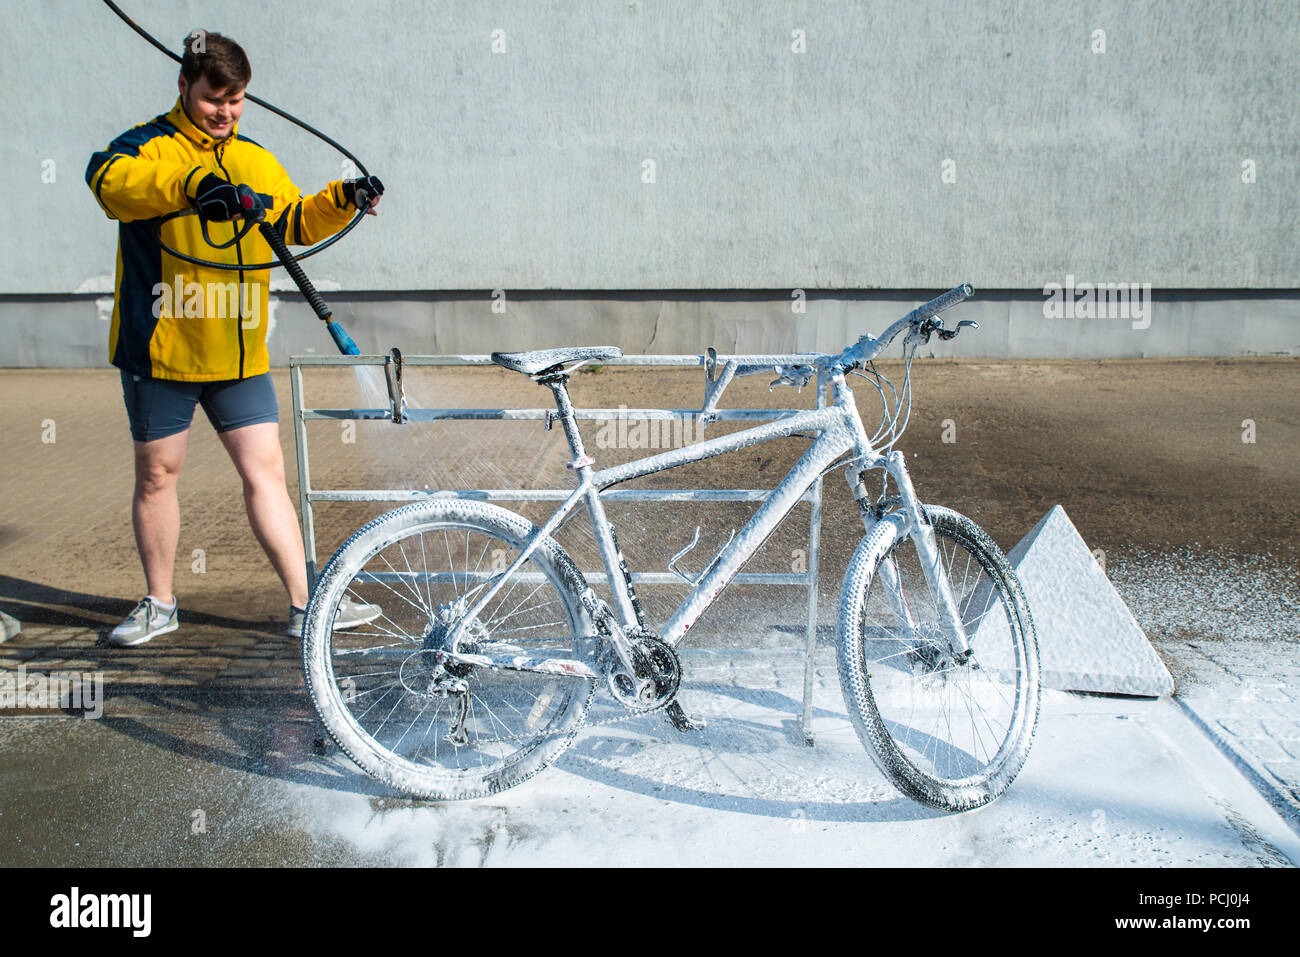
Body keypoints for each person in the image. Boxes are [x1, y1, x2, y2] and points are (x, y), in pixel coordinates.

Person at [85, 30, 383, 646]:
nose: (224, 111)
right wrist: (194, 186)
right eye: (212, 97)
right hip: (161, 347)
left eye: (236, 100)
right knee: (158, 474)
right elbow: (110, 185)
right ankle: (161, 604)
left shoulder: (253, 158)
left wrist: (345, 199)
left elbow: (294, 218)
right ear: (184, 86)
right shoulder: (142, 149)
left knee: (266, 473)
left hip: (240, 352)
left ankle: (307, 606)